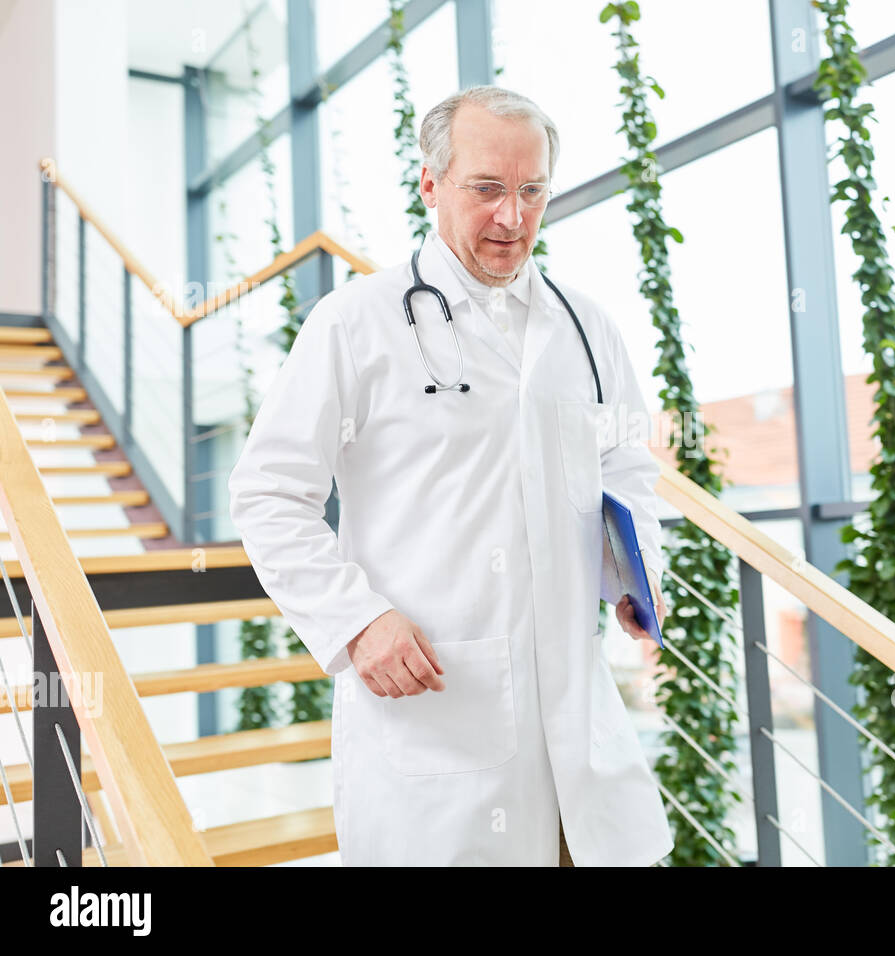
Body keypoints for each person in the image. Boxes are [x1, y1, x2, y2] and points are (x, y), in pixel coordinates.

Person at [227, 85, 674, 867]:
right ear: (430, 184)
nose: (513, 218)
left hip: (577, 739)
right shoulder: (356, 322)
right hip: (437, 729)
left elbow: (627, 461)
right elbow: (269, 493)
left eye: (532, 191)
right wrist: (357, 622)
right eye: (487, 190)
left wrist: (635, 569)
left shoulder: (584, 323)